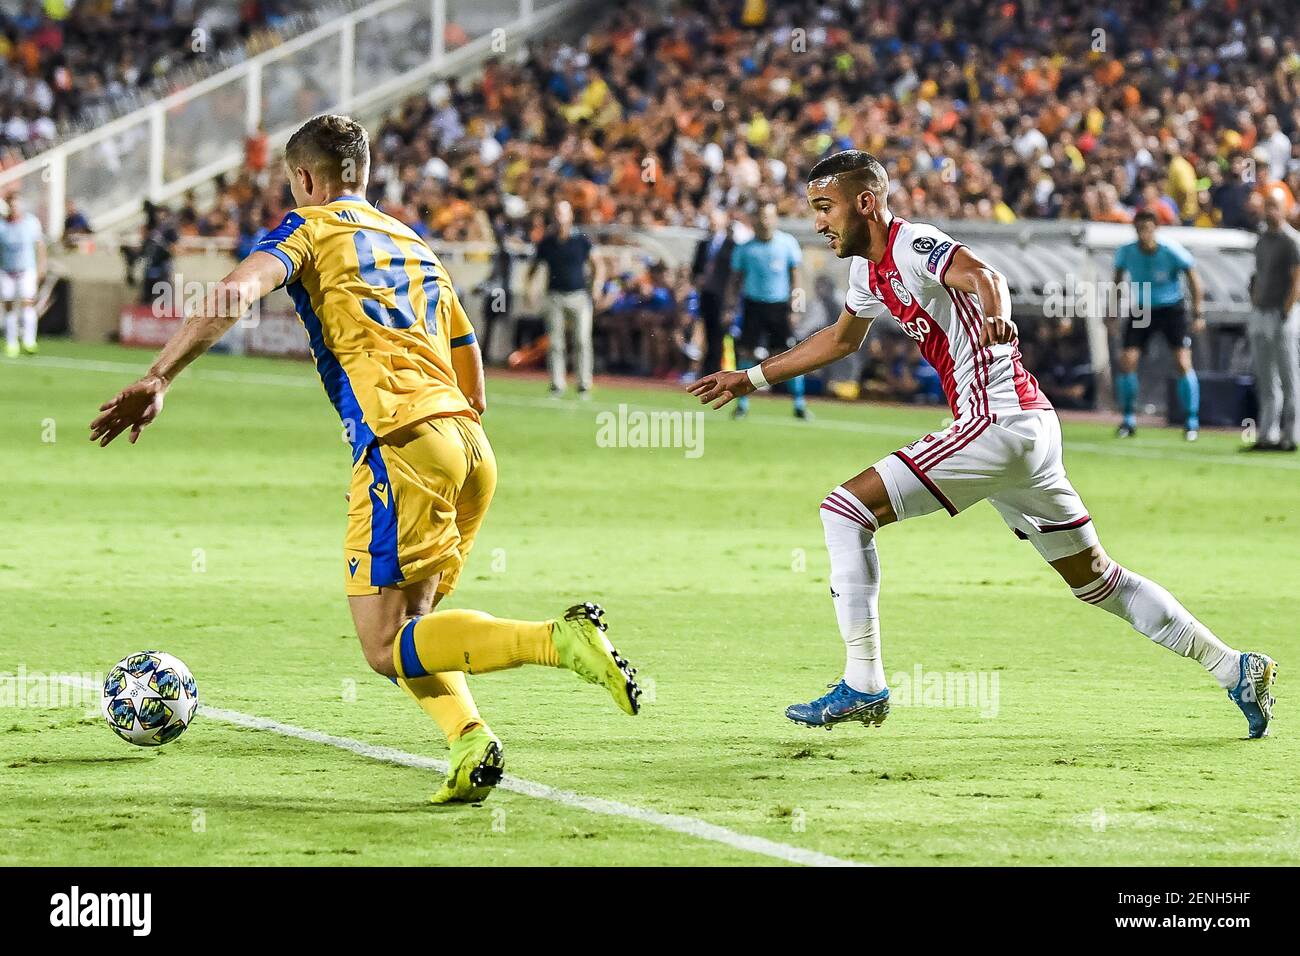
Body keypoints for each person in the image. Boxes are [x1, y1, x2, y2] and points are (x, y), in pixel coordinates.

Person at [89, 115, 641, 805]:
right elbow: (473, 365)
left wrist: (161, 376)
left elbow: (233, 293)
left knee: (382, 646)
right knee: (416, 630)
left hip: (403, 445)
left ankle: (559, 640)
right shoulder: (412, 241)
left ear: (307, 178)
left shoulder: (306, 228)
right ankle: (470, 740)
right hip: (469, 447)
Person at [689, 149, 1276, 739]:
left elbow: (983, 276)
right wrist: (751, 377)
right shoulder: (868, 271)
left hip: (995, 421)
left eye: (825, 207)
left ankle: (864, 683)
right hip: (1028, 432)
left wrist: (996, 317)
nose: (818, 222)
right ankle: (1235, 669)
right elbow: (841, 340)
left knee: (844, 511)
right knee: (1097, 580)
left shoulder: (912, 242)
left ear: (865, 202)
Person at [1111, 210, 1205, 440]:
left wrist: (1198, 311)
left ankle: (1191, 421)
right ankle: (1128, 419)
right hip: (1142, 308)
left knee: (1183, 362)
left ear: (1156, 229)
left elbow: (1193, 276)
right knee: (1128, 361)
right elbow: (1117, 281)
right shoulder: (1126, 252)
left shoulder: (1171, 250)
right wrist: (1111, 312)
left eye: (1148, 228)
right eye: (1140, 228)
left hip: (1171, 308)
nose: (1145, 233)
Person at [729, 202, 808, 419]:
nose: (765, 221)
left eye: (769, 217)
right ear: (755, 220)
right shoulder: (745, 248)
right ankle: (742, 404)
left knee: (789, 354)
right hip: (753, 305)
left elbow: (796, 277)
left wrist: (797, 307)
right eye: (762, 216)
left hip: (779, 306)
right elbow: (735, 280)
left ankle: (799, 403)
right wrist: (729, 307)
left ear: (775, 219)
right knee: (745, 353)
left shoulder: (787, 243)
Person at [527, 199, 603, 397]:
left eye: (564, 213)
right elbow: (533, 268)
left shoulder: (581, 241)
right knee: (555, 342)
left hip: (579, 295)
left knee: (582, 340)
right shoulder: (547, 243)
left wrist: (596, 287)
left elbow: (598, 265)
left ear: (571, 216)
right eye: (558, 213)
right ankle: (557, 383)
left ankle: (584, 383)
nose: (560, 218)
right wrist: (530, 291)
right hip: (554, 296)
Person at [1245, 189, 1300, 452]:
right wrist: (1255, 301)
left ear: (1285, 209)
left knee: (1289, 376)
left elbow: (1296, 279)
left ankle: (1291, 435)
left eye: (1274, 206)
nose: (1270, 212)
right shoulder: (1262, 240)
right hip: (1262, 311)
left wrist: (1286, 310)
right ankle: (1267, 433)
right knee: (1265, 376)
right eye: (1267, 206)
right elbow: (1258, 273)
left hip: (1282, 313)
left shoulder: (1292, 241)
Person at [690, 207, 736, 378]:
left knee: (719, 336)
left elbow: (733, 274)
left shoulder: (731, 245)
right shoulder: (703, 244)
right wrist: (697, 279)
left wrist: (730, 304)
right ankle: (707, 371)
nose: (712, 222)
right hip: (706, 296)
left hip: (723, 297)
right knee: (708, 335)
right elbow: (695, 269)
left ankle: (717, 372)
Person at [0, 194, 46, 357]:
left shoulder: (30, 222)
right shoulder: (2, 226)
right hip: (6, 270)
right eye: (11, 205)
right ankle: (11, 342)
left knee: (28, 303)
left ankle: (29, 341)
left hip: (26, 269)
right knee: (9, 306)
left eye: (17, 205)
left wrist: (42, 266)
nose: (14, 208)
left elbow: (39, 245)